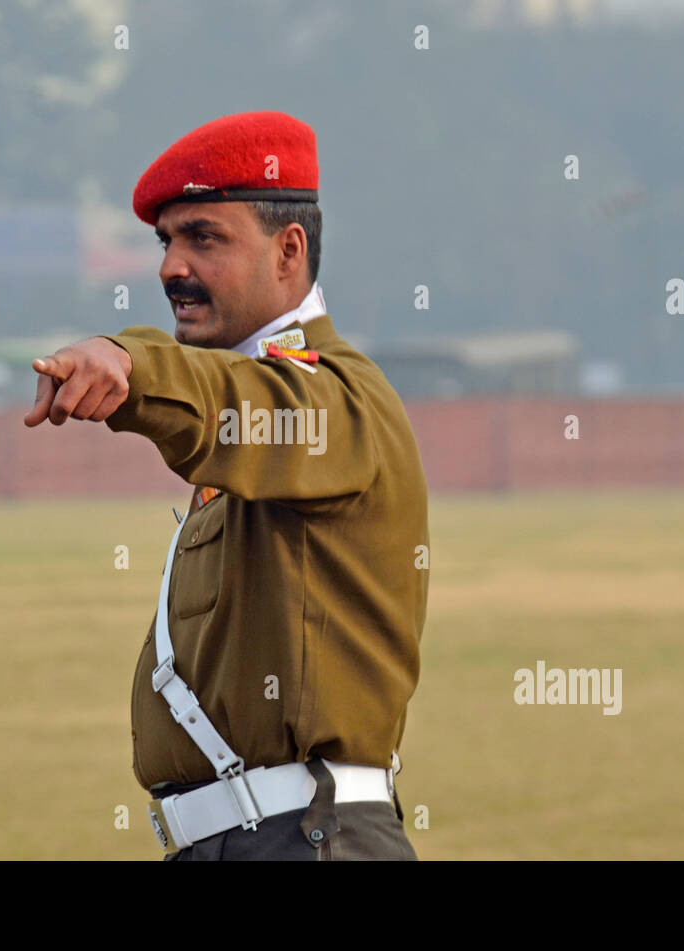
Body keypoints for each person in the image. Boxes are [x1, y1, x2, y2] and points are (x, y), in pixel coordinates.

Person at [23, 111, 428, 860]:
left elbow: (237, 405)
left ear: (289, 250)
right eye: (165, 241)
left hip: (307, 838)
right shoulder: (259, 391)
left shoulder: (337, 398)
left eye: (204, 238)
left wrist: (132, 365)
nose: (171, 266)